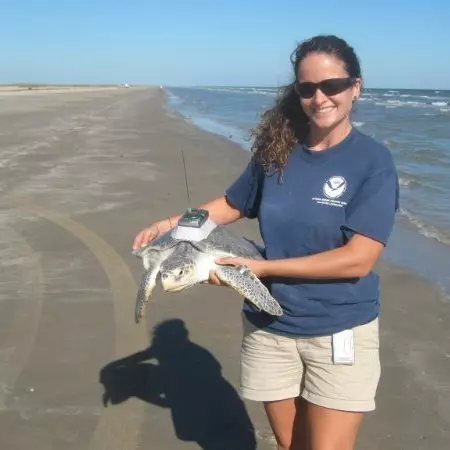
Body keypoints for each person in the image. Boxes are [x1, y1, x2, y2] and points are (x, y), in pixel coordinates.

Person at [133, 35, 399, 450]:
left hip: (337, 327)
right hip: (268, 327)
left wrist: (261, 270)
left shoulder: (373, 162)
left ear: (356, 87)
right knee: (290, 444)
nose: (320, 97)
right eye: (307, 88)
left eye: (332, 85)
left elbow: (358, 260)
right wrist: (173, 223)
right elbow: (230, 203)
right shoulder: (277, 151)